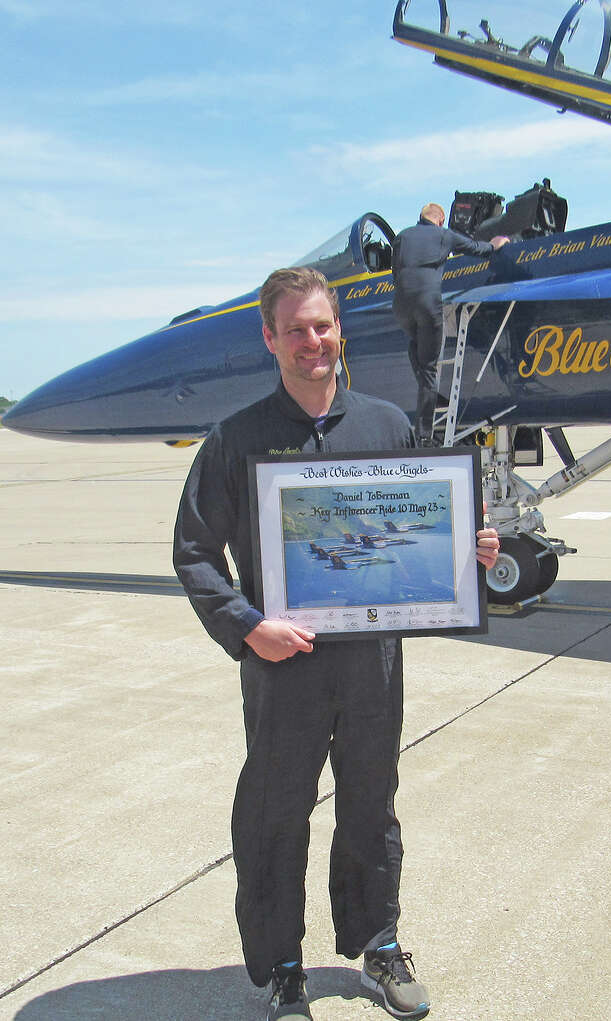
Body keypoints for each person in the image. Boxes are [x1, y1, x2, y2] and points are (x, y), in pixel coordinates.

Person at [173, 266, 501, 1021]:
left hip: (372, 664)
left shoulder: (387, 426)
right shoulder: (237, 440)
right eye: (294, 329)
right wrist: (249, 625)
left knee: (370, 804)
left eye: (321, 325)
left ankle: (378, 940)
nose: (311, 340)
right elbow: (193, 550)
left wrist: (470, 549)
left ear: (338, 331)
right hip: (284, 663)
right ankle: (284, 964)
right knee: (275, 810)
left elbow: (424, 523)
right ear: (270, 338)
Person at [391, 202, 508, 443]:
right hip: (427, 305)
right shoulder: (443, 235)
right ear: (441, 220)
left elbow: (396, 272)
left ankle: (430, 393)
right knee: (430, 370)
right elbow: (478, 249)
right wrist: (496, 244)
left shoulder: (402, 237)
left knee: (417, 350)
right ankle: (424, 435)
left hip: (401, 306)